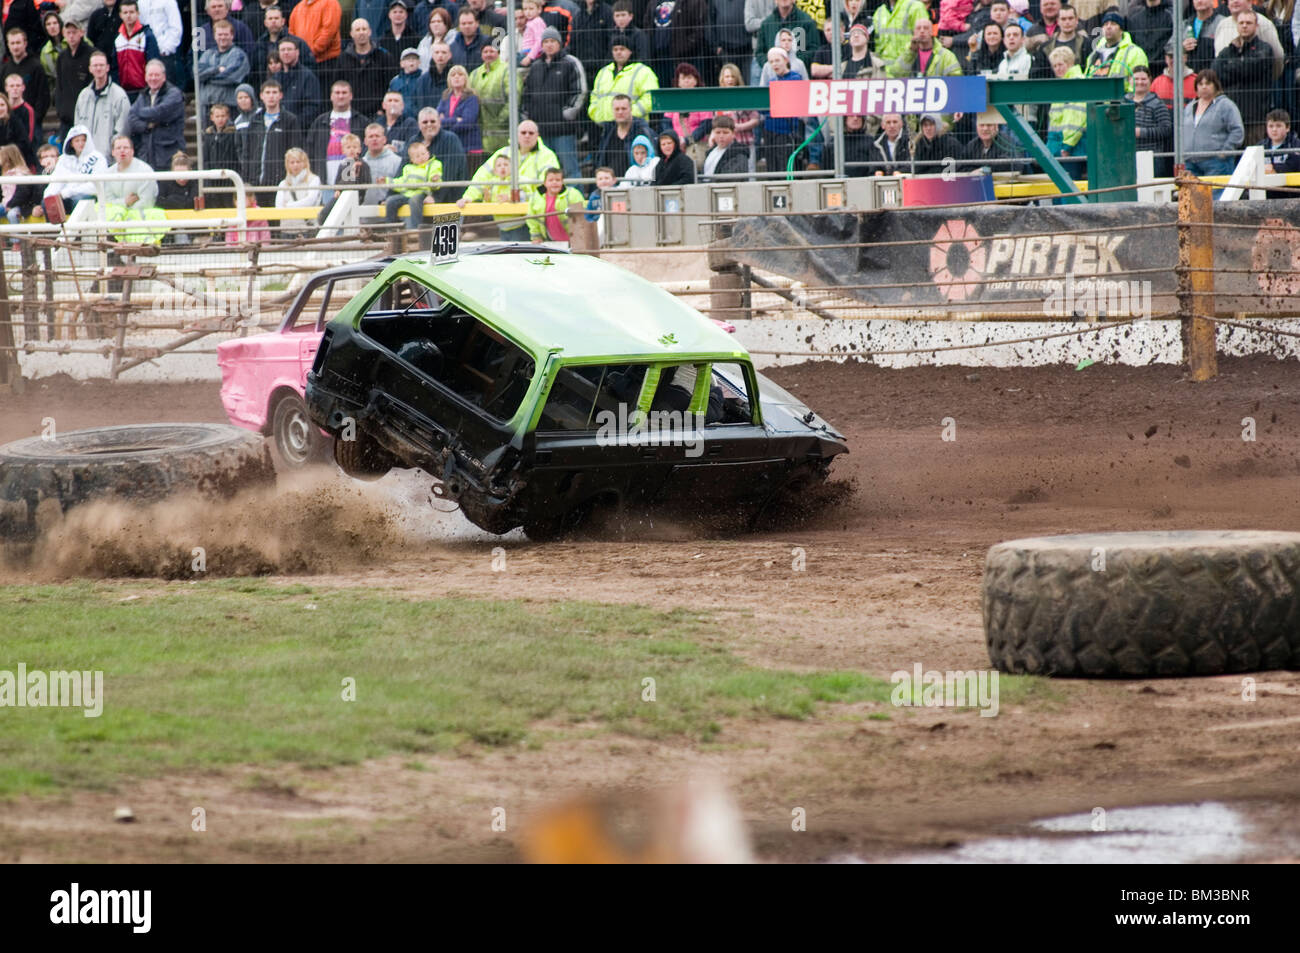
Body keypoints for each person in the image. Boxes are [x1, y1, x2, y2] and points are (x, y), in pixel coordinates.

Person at [523, 27, 584, 178]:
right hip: (541, 131)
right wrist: (527, 118)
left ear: (560, 43)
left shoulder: (570, 63)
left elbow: (580, 91)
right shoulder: (536, 66)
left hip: (563, 130)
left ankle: (575, 200)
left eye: (553, 41)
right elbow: (526, 94)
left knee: (570, 170)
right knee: (544, 172)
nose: (549, 45)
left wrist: (567, 114)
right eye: (546, 42)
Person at [1212, 8, 1274, 147]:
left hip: (1255, 117)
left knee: (1253, 159)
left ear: (1256, 26)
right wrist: (1238, 64)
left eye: (1249, 22)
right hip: (1230, 117)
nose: (1244, 26)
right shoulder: (1229, 50)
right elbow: (1216, 72)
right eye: (1241, 23)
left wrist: (1230, 66)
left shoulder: (1264, 49)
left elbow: (1250, 69)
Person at [242, 78, 303, 194]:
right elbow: (247, 152)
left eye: (274, 92)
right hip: (255, 183)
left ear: (281, 95)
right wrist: (246, 178)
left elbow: (295, 151)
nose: (271, 96)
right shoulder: (255, 120)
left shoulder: (290, 120)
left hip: (280, 183)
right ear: (261, 96)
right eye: (268, 92)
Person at [101, 133, 166, 242]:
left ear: (132, 151)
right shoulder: (108, 173)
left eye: (126, 148)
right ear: (113, 152)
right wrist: (125, 202)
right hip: (117, 220)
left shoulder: (145, 171)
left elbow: (147, 201)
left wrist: (124, 210)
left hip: (139, 218)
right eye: (118, 148)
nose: (122, 151)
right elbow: (108, 202)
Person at [1182, 68, 1243, 181]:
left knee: (1217, 197)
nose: (1204, 87)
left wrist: (1224, 153)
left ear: (1215, 85)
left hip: (1216, 163)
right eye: (1200, 84)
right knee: (1193, 198)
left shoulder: (1226, 105)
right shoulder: (1189, 107)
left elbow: (1237, 130)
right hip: (1191, 163)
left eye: (1208, 83)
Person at [306, 79, 369, 184]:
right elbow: (310, 149)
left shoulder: (362, 121)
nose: (340, 96)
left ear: (351, 96)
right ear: (331, 96)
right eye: (337, 93)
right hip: (324, 175)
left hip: (351, 174)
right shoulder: (319, 121)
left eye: (344, 93)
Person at [125, 57, 184, 170]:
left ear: (164, 77)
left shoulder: (174, 94)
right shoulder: (143, 95)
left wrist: (140, 112)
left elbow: (159, 112)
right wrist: (147, 126)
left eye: (157, 75)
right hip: (146, 155)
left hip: (169, 154)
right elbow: (131, 119)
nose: (153, 78)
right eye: (150, 75)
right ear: (146, 77)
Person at [588, 32, 657, 123]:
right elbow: (594, 96)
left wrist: (629, 114)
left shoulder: (642, 71)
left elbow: (650, 98)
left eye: (622, 49)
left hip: (634, 125)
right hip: (606, 126)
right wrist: (595, 114)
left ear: (630, 51)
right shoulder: (604, 72)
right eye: (615, 49)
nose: (618, 52)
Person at [74, 51, 130, 155]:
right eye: (95, 65)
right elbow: (78, 129)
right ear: (90, 69)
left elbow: (122, 131)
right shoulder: (83, 96)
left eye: (101, 65)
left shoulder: (120, 96)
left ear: (107, 68)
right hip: (85, 158)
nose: (98, 68)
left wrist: (112, 153)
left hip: (108, 159)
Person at [339, 16, 396, 117]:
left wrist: (382, 109)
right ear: (351, 34)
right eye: (357, 30)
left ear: (369, 32)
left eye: (364, 29)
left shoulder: (383, 56)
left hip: (377, 114)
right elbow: (339, 86)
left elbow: (391, 85)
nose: (361, 32)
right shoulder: (343, 59)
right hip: (352, 114)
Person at [457, 152, 522, 239]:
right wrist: (487, 199)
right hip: (502, 227)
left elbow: (526, 195)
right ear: (495, 171)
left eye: (506, 164)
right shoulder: (492, 184)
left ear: (512, 168)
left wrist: (511, 198)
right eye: (499, 165)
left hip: (518, 226)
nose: (502, 167)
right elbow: (490, 203)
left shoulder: (518, 181)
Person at [385, 137, 440, 233]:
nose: (422, 157)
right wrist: (387, 181)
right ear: (412, 160)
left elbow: (435, 178)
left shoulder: (434, 164)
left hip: (422, 193)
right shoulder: (407, 168)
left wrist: (434, 180)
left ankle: (414, 231)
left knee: (414, 200)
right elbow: (401, 182)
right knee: (391, 201)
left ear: (428, 153)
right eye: (417, 156)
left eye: (423, 154)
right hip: (407, 194)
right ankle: (392, 231)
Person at [760, 46, 802, 173]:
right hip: (770, 129)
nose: (774, 64)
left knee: (786, 166)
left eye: (777, 60)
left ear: (786, 60)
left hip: (787, 131)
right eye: (771, 62)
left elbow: (790, 102)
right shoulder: (771, 81)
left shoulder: (795, 78)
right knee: (772, 167)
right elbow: (763, 108)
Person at [44, 124, 105, 209]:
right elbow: (56, 181)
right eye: (77, 141)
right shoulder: (63, 159)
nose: (81, 143)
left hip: (88, 196)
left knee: (78, 200)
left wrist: (68, 192)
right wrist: (49, 196)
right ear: (71, 143)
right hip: (65, 196)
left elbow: (95, 186)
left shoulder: (98, 158)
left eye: (84, 140)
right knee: (47, 202)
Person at [1045, 46, 1086, 173]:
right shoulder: (1062, 85)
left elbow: (1076, 118)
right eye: (1055, 66)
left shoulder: (1076, 83)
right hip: (1059, 145)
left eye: (1061, 64)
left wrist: (1067, 146)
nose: (1058, 69)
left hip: (1072, 147)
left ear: (1070, 63)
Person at [593, 91, 651, 176]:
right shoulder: (607, 132)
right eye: (617, 109)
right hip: (610, 184)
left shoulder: (642, 131)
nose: (620, 112)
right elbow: (600, 161)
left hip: (634, 182)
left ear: (631, 109)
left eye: (624, 108)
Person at [197, 19, 250, 113]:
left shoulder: (238, 55)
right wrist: (216, 70)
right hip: (207, 105)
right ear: (214, 36)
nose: (223, 37)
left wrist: (207, 77)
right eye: (220, 35)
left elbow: (230, 77)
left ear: (232, 36)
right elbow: (197, 74)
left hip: (229, 105)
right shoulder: (207, 54)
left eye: (226, 34)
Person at [415, 106, 467, 200]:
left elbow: (450, 173)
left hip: (452, 203)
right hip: (420, 197)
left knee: (443, 215)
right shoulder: (414, 141)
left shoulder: (451, 139)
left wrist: (435, 197)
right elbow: (403, 168)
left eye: (433, 121)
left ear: (439, 122)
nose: (429, 125)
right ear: (419, 124)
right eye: (425, 122)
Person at [111, 0, 160, 101]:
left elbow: (153, 63)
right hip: (123, 92)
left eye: (132, 12)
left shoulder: (147, 36)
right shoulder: (118, 39)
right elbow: (114, 67)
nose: (128, 16)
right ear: (120, 15)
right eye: (125, 12)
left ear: (138, 13)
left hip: (143, 91)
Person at [1084, 10, 1146, 88]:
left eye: (1113, 24)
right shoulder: (1094, 54)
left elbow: (1138, 85)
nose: (1108, 27)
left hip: (1121, 98)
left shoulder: (1135, 53)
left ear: (1121, 30)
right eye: (1106, 24)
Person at [55, 21, 96, 139]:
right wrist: (60, 110)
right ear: (63, 34)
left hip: (86, 115)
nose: (71, 36)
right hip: (66, 117)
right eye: (68, 33)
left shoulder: (91, 54)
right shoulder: (62, 56)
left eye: (74, 32)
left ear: (81, 33)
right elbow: (59, 86)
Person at [1127, 64, 1170, 174]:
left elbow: (1166, 130)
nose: (1140, 82)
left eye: (1143, 79)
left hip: (1152, 159)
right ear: (1129, 80)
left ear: (1150, 80)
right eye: (1136, 79)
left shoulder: (1158, 104)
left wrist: (1140, 132)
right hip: (1127, 157)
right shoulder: (1123, 103)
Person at [2, 25, 49, 125]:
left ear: (25, 43)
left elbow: (43, 96)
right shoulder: (4, 69)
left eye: (18, 43)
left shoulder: (36, 67)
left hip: (31, 121)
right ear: (8, 45)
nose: (15, 46)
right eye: (12, 43)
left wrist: (35, 119)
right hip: (9, 123)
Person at [439, 63, 482, 172]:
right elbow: (437, 120)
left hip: (469, 148)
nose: (457, 77)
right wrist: (455, 120)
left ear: (466, 78)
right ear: (449, 79)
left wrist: (446, 125)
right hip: (451, 148)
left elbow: (467, 122)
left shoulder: (471, 97)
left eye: (460, 74)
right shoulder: (445, 96)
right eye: (453, 75)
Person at [469, 39, 508, 154]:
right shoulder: (475, 74)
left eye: (492, 51)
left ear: (498, 53)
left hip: (502, 133)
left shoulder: (507, 70)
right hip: (480, 133)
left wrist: (500, 121)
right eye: (485, 51)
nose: (488, 54)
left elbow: (513, 100)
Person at [526, 166, 583, 242]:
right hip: (548, 240)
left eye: (558, 180)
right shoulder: (535, 197)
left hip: (573, 240)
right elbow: (532, 219)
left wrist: (579, 238)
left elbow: (581, 218)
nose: (554, 182)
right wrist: (537, 237)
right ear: (545, 183)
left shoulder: (573, 194)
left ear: (562, 182)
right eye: (551, 180)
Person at [288, 0, 342, 77]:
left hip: (326, 62)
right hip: (304, 62)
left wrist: (310, 52)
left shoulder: (330, 3)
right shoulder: (298, 8)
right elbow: (291, 33)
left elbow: (329, 31)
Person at [275, 146, 321, 236]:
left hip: (306, 229)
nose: (295, 165)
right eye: (292, 162)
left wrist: (288, 206)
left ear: (304, 163)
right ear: (287, 164)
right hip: (286, 229)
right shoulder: (283, 183)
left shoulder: (314, 179)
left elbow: (310, 201)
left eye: (298, 162)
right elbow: (278, 206)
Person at [276, 37, 321, 120]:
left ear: (297, 52)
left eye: (289, 49)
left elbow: (312, 108)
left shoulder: (308, 77)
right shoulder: (275, 78)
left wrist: (293, 124)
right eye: (282, 50)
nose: (286, 52)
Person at [1260, 109, 1300, 198]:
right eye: (1270, 126)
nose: (1274, 129)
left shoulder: (1295, 144)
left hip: (1291, 195)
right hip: (1266, 195)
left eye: (1278, 126)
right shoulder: (1260, 146)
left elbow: (1294, 166)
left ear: (1287, 128)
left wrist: (1274, 168)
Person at [872, 0, 925, 67]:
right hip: (884, 72)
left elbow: (923, 39)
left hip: (910, 69)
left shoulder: (915, 7)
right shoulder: (879, 12)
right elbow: (878, 45)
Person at [361, 122, 402, 205]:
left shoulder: (397, 161)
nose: (374, 139)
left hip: (390, 214)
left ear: (384, 139)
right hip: (365, 214)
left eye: (377, 136)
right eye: (371, 136)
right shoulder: (360, 164)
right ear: (365, 141)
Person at [390, 47, 434, 121]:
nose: (411, 62)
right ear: (401, 63)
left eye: (414, 59)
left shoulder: (425, 79)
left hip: (418, 119)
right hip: (398, 119)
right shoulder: (395, 81)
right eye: (408, 59)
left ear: (419, 62)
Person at [1152, 38, 1197, 111]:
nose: (1174, 60)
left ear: (1185, 58)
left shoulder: (1196, 82)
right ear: (1166, 59)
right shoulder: (1157, 83)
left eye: (1178, 56)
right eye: (1171, 57)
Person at [1, 143, 39, 224]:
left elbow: (22, 194)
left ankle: (15, 237)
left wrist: (10, 205)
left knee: (12, 214)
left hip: (18, 205)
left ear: (8, 158)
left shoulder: (20, 173)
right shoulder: (5, 174)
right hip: (6, 204)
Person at [700, 113, 746, 179]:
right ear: (713, 133)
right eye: (718, 132)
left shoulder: (739, 153)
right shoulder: (710, 152)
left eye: (725, 132)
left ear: (733, 134)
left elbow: (734, 178)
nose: (721, 136)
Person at [378, 89, 417, 154]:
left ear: (402, 106)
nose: (393, 104)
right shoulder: (377, 123)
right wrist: (382, 150)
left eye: (396, 101)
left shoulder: (410, 123)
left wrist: (396, 152)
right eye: (390, 101)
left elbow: (414, 148)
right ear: (383, 105)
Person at [5, 74, 33, 144]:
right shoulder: (3, 108)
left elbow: (29, 136)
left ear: (23, 87)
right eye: (11, 86)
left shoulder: (28, 110)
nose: (15, 88)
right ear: (6, 88)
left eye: (18, 85)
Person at [517, 0, 545, 66]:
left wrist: (530, 57)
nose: (528, 12)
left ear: (539, 9)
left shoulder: (537, 21)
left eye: (531, 9)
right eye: (525, 9)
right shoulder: (530, 22)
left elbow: (539, 41)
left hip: (532, 54)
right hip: (526, 52)